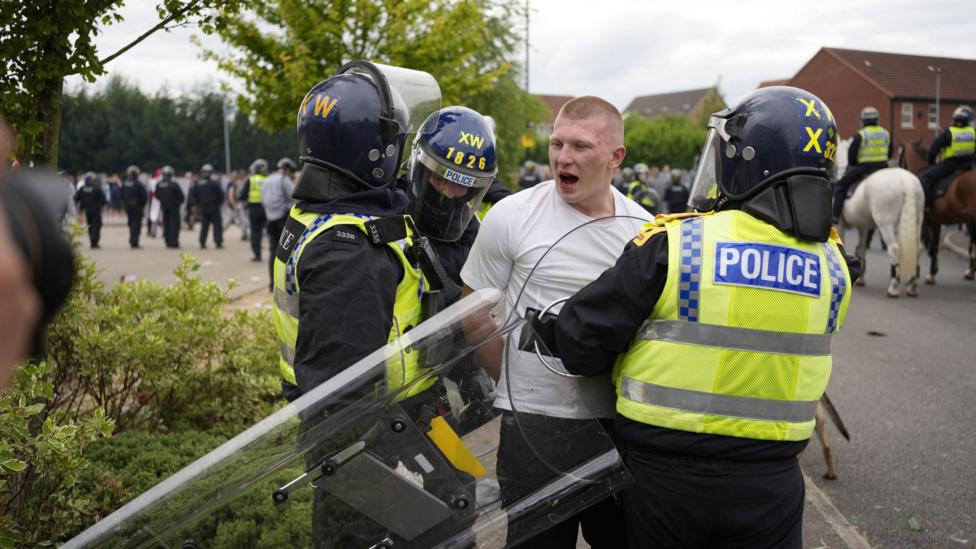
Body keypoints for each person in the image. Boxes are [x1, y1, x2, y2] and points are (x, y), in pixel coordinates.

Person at [535, 87, 858, 548]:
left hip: (665, 482)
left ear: (748, 162)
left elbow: (580, 344)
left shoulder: (676, 244)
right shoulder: (836, 265)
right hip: (774, 483)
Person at [271, 61, 469, 547]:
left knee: (461, 494)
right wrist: (404, 471)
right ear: (374, 150)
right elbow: (344, 399)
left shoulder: (331, 211)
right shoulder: (348, 251)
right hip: (372, 439)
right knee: (446, 521)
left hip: (410, 414)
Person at [460, 95, 650, 548]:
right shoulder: (512, 215)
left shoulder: (645, 231)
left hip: (616, 426)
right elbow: (474, 314)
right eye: (557, 143)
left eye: (581, 146)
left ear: (616, 156)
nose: (563, 157)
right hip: (533, 430)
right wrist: (518, 385)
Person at [832, 106, 892, 222]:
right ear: (877, 120)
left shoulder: (861, 135)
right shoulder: (885, 133)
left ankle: (835, 215)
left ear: (863, 121)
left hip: (864, 168)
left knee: (840, 185)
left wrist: (855, 164)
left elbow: (851, 158)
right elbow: (889, 153)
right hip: (884, 168)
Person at [919, 105, 975, 210]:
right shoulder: (973, 132)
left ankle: (926, 208)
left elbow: (933, 150)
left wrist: (931, 163)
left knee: (925, 178)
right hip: (969, 165)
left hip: (950, 165)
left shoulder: (949, 133)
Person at [261, 157, 296, 291]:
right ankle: (284, 284)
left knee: (273, 252)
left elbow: (263, 200)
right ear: (287, 170)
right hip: (283, 220)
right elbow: (294, 196)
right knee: (287, 253)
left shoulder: (267, 180)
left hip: (270, 220)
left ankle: (272, 284)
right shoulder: (284, 179)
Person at [241, 158, 269, 261]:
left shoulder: (251, 179)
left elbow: (242, 196)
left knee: (255, 232)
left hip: (253, 209)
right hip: (265, 209)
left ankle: (257, 254)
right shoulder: (267, 179)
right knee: (265, 231)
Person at [190, 164, 224, 249]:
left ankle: (202, 242)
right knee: (217, 225)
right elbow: (221, 195)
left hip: (203, 207)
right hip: (214, 207)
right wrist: (219, 203)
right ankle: (218, 242)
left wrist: (197, 205)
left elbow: (193, 195)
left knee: (204, 225)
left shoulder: (197, 183)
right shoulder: (214, 183)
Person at [155, 165, 185, 248]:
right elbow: (181, 196)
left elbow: (157, 195)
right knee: (174, 225)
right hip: (174, 207)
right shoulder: (174, 184)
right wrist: (177, 203)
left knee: (166, 224)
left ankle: (167, 241)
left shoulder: (159, 184)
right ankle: (173, 242)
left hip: (164, 207)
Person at [74, 173, 106, 248]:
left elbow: (76, 198)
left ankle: (92, 241)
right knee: (96, 225)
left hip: (87, 210)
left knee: (90, 225)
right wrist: (100, 206)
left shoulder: (82, 189)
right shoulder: (97, 189)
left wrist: (81, 208)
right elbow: (103, 201)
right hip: (96, 210)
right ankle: (94, 242)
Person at [121, 165, 148, 249]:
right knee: (136, 225)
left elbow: (121, 195)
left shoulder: (124, 183)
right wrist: (141, 205)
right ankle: (134, 242)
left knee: (130, 223)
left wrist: (125, 204)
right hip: (137, 207)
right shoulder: (138, 183)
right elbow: (144, 196)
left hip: (128, 207)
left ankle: (132, 240)